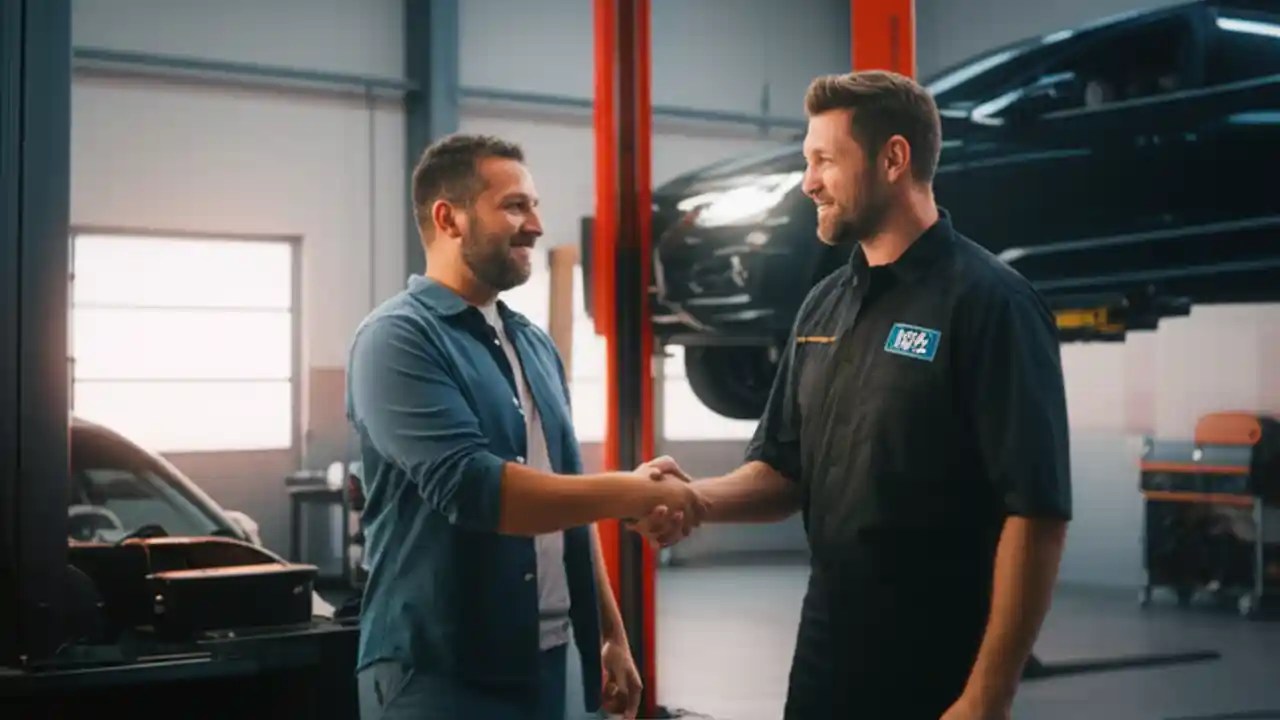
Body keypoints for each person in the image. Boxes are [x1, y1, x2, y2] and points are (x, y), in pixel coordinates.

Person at [635, 70, 1073, 719]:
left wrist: (988, 693)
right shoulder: (824, 305)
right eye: (806, 162)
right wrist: (693, 499)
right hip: (826, 653)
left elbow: (1036, 513)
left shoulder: (993, 305)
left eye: (824, 160)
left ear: (893, 159)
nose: (807, 183)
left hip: (941, 667)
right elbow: (783, 470)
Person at [346, 133, 707, 720]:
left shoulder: (532, 343)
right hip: (436, 670)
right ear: (449, 218)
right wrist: (634, 492)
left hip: (550, 658)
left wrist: (609, 633)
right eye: (515, 206)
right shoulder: (397, 339)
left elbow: (563, 495)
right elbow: (475, 488)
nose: (536, 226)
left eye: (534, 206)